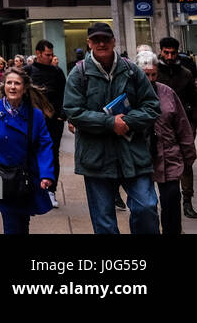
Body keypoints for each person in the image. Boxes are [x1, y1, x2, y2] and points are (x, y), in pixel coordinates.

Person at [63, 22, 161, 234]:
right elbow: (73, 112)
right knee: (105, 223)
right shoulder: (78, 74)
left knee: (146, 207)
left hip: (133, 153)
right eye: (96, 40)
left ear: (113, 41)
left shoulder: (132, 70)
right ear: (89, 43)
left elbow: (152, 106)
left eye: (105, 39)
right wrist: (109, 122)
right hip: (96, 157)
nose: (101, 43)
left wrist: (127, 121)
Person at [0, 65, 55, 234]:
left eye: (17, 83)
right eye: (9, 82)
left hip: (27, 176)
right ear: (3, 86)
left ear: (25, 88)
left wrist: (46, 174)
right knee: (10, 222)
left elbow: (45, 145)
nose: (12, 87)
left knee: (23, 221)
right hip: (1, 176)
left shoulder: (36, 115)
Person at [137, 48, 195, 235]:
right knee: (144, 207)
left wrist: (188, 155)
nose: (151, 79)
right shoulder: (129, 95)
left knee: (171, 200)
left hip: (169, 156)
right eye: (146, 75)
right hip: (141, 158)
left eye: (154, 74)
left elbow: (183, 125)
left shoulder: (167, 93)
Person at [156, 36, 197, 219]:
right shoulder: (154, 71)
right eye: (166, 53)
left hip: (184, 123)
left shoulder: (185, 73)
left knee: (186, 161)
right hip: (161, 124)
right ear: (161, 51)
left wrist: (193, 122)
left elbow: (194, 100)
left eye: (173, 53)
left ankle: (187, 200)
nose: (170, 56)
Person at [28, 39, 68, 208]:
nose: (51, 58)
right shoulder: (27, 71)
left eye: (51, 54)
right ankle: (34, 188)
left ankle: (50, 190)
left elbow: (65, 94)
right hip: (32, 120)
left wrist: (62, 115)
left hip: (53, 121)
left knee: (52, 154)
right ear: (38, 53)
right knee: (31, 152)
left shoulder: (57, 72)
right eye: (47, 55)